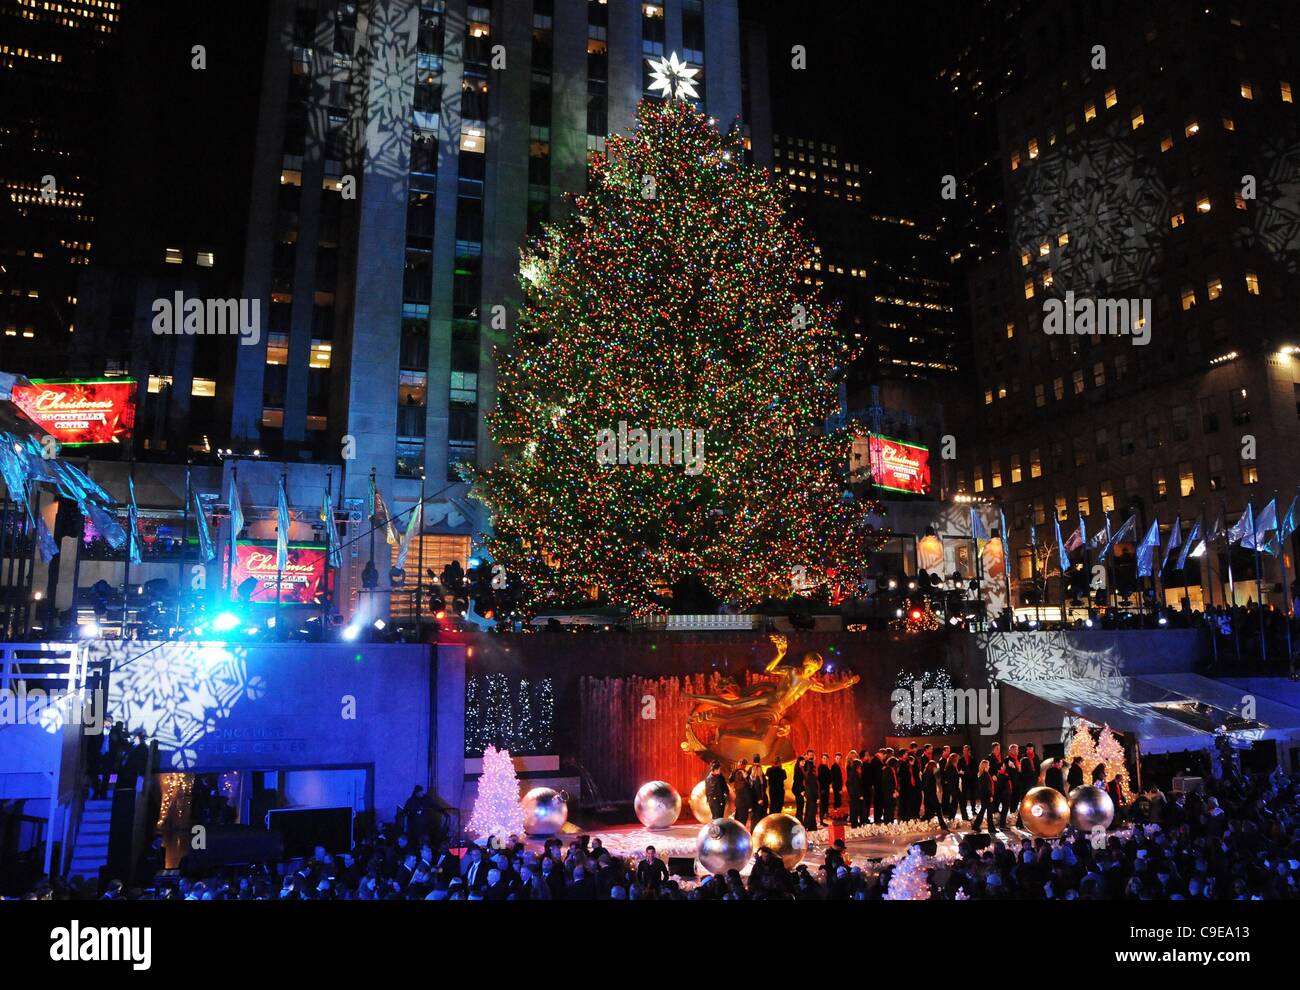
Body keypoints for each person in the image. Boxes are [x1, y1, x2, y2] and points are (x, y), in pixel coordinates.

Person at [921, 760, 948, 831]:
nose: (936, 767)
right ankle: (943, 825)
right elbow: (929, 784)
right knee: (938, 810)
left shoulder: (925, 773)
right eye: (935, 766)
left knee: (929, 812)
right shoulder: (930, 774)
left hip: (928, 795)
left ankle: (922, 822)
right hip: (931, 794)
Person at [972, 759, 996, 833]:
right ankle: (978, 826)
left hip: (984, 795)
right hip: (986, 796)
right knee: (986, 812)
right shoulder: (985, 775)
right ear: (985, 766)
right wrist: (990, 796)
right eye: (988, 765)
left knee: (985, 811)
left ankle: (977, 826)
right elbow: (987, 787)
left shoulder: (982, 774)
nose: (989, 766)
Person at [731, 760, 753, 825]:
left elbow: (730, 780)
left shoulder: (736, 775)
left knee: (737, 819)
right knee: (742, 821)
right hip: (744, 803)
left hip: (738, 801)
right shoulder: (745, 782)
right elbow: (747, 792)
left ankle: (736, 832)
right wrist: (750, 805)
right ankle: (740, 833)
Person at [747, 760, 768, 827]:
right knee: (757, 818)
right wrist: (760, 798)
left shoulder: (759, 778)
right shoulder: (755, 779)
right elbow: (756, 790)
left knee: (759, 818)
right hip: (757, 801)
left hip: (759, 800)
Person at [846, 752, 864, 827]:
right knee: (855, 809)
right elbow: (856, 785)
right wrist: (860, 794)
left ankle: (855, 822)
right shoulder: (854, 773)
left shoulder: (853, 772)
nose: (860, 767)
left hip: (853, 794)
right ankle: (854, 823)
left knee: (854, 808)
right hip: (855, 794)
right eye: (860, 766)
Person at [801, 756, 819, 830]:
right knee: (811, 812)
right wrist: (817, 797)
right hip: (812, 796)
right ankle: (806, 826)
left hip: (809, 796)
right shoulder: (811, 776)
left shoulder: (807, 775)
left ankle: (812, 826)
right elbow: (814, 788)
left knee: (809, 811)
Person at [816, 753, 832, 825]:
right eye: (824, 758)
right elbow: (821, 779)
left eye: (826, 758)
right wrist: (822, 789)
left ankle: (825, 820)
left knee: (825, 805)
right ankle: (822, 820)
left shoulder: (827, 767)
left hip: (826, 788)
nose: (825, 760)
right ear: (821, 759)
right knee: (823, 805)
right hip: (823, 789)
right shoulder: (821, 767)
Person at [792, 756, 806, 821]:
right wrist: (801, 791)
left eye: (804, 761)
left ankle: (799, 819)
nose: (804, 762)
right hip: (798, 789)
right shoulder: (797, 769)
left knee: (801, 804)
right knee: (800, 804)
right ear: (799, 762)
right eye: (802, 761)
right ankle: (799, 819)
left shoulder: (801, 768)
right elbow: (797, 781)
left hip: (799, 789)